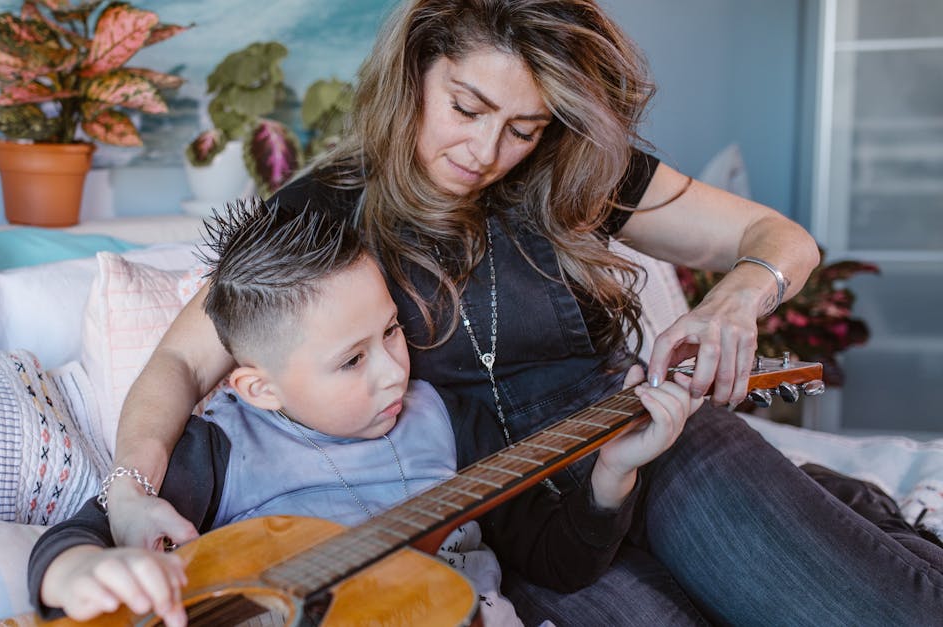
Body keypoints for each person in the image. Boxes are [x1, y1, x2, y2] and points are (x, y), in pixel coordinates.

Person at [107, 0, 943, 624]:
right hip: (526, 529)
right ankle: (850, 511)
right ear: (416, 71)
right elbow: (180, 363)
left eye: (524, 127)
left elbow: (778, 238)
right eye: (467, 108)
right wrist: (130, 495)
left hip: (654, 443)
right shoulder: (323, 212)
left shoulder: (572, 173)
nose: (487, 153)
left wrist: (735, 296)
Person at [27, 199, 702, 625]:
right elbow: (74, 542)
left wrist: (612, 475)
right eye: (351, 361)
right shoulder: (222, 451)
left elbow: (554, 561)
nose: (392, 370)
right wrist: (79, 569)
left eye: (390, 330)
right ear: (261, 388)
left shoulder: (448, 419)